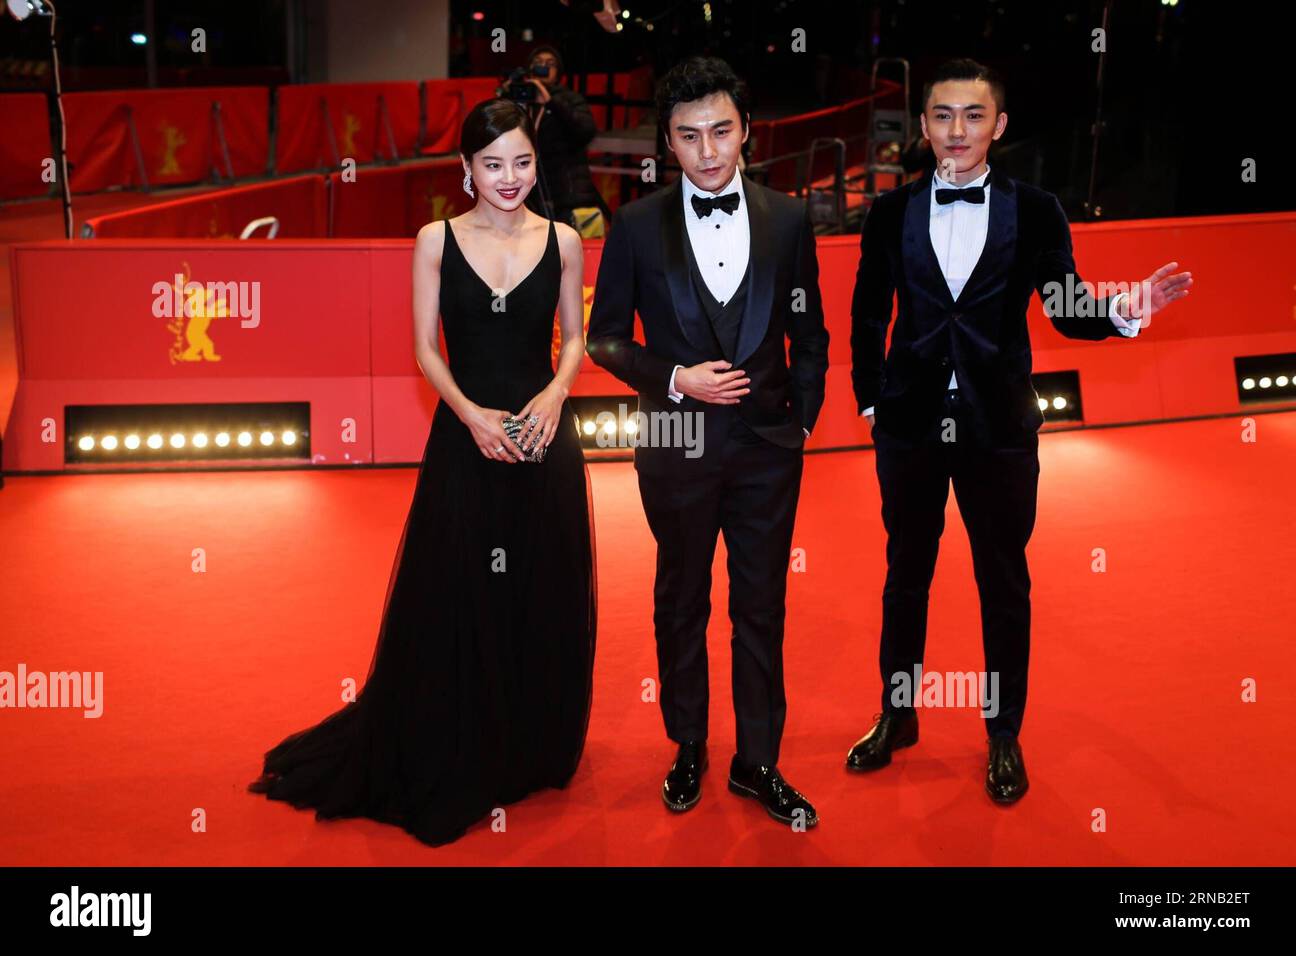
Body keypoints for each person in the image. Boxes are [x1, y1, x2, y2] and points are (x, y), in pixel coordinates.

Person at [248, 98, 597, 846]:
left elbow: (575, 339)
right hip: (465, 440)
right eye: (493, 164)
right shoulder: (434, 240)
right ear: (465, 169)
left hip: (542, 439)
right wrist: (471, 415)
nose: (510, 178)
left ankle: (528, 745)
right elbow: (424, 350)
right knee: (459, 593)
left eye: (523, 162)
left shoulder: (565, 239)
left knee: (540, 589)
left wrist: (555, 390)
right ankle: (462, 740)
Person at [846, 58, 1192, 803]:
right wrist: (873, 402)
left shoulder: (1036, 209)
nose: (956, 131)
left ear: (998, 126)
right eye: (942, 115)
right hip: (909, 426)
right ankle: (898, 714)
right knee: (906, 577)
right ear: (924, 125)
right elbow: (869, 311)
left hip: (997, 426)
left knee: (1002, 581)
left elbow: (1065, 304)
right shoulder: (889, 211)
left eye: (973, 116)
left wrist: (1125, 309)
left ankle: (1003, 733)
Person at [586, 56, 830, 828]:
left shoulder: (790, 219)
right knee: (681, 600)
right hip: (674, 442)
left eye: (722, 130)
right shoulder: (633, 224)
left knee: (761, 607)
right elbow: (604, 341)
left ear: (747, 132)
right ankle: (687, 743)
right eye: (689, 136)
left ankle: (758, 761)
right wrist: (674, 379)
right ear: (668, 141)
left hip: (766, 450)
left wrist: (802, 423)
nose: (709, 150)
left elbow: (810, 332)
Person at [496, 44, 610, 235]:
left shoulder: (569, 98)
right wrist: (505, 97)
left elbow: (585, 132)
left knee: (571, 253)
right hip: (531, 198)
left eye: (550, 64)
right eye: (538, 63)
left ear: (558, 72)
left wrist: (550, 102)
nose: (543, 67)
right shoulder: (521, 101)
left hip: (569, 197)